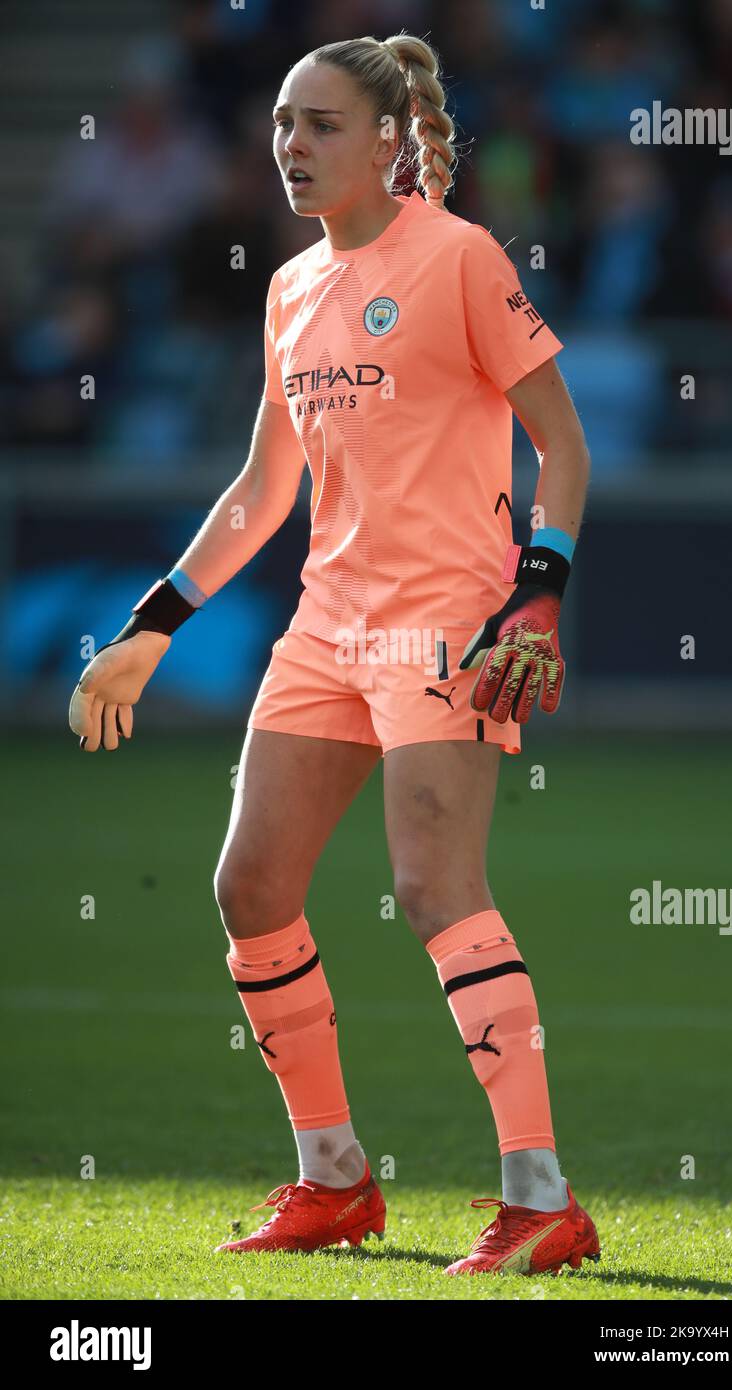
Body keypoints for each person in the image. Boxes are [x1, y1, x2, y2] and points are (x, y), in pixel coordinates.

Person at [68, 32, 598, 1278]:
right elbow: (261, 489)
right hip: (327, 623)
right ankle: (335, 1181)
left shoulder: (458, 258)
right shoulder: (291, 286)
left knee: (431, 889)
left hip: (446, 620)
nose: (291, 147)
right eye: (280, 126)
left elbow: (561, 448)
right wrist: (152, 627)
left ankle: (540, 1199)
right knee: (249, 888)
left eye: (316, 125)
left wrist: (538, 594)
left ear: (384, 140)